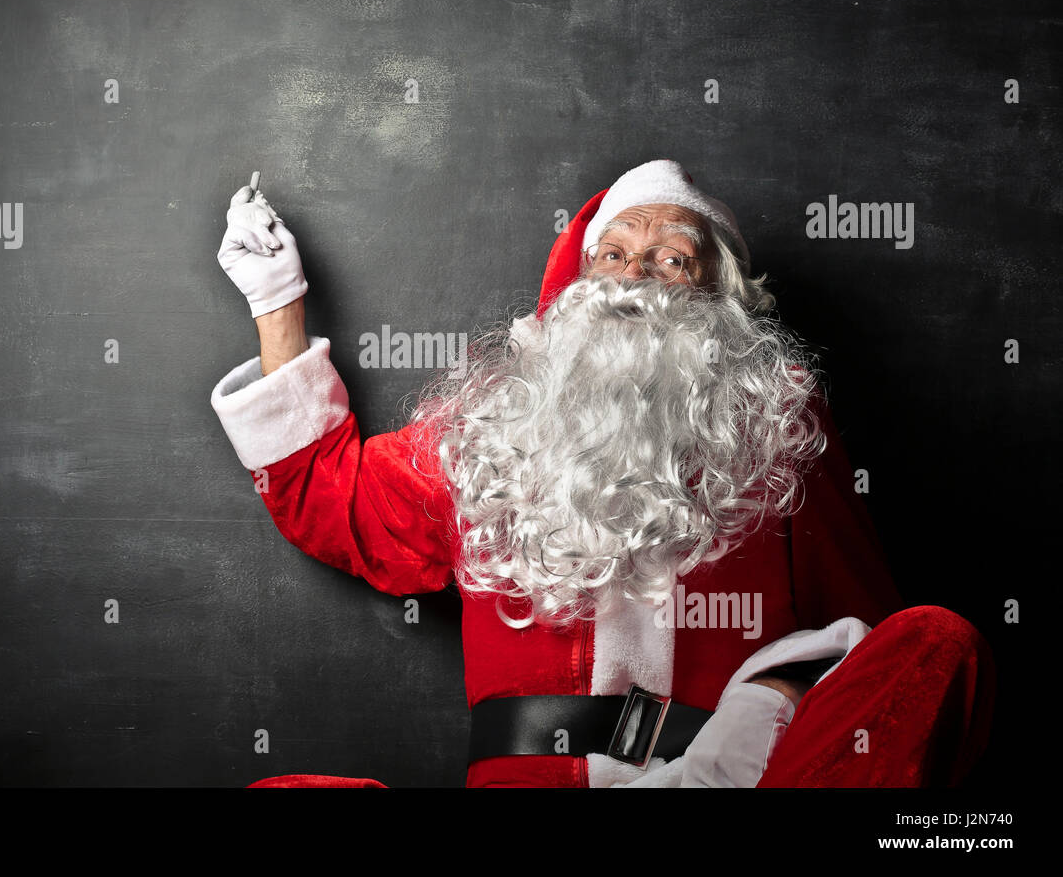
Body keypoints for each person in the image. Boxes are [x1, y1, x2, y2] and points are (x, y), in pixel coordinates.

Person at [211, 159, 995, 787]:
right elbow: (329, 499)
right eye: (614, 254)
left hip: (730, 778)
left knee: (939, 643)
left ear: (716, 295)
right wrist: (277, 300)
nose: (636, 277)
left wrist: (771, 704)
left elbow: (867, 639)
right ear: (578, 285)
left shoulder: (778, 426)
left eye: (671, 258)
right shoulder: (492, 424)